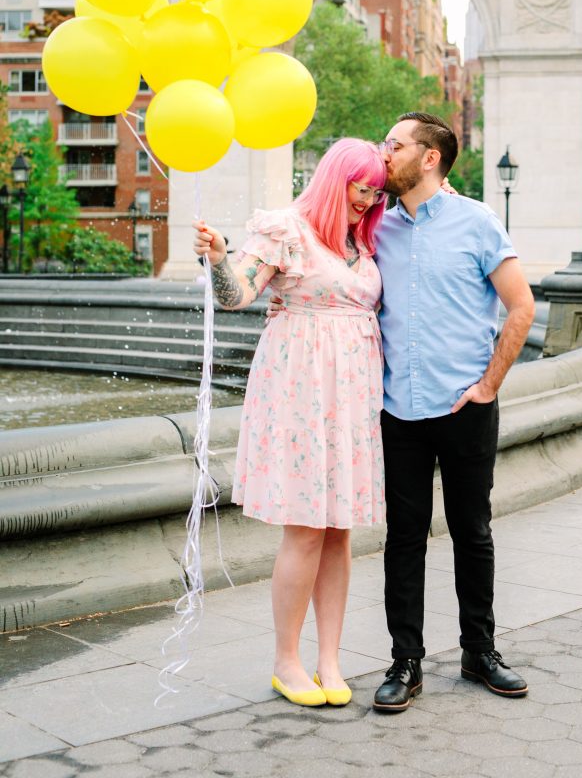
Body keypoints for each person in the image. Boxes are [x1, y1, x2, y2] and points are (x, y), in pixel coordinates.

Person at [192, 138, 388, 709]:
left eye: (376, 192)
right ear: (335, 180)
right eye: (361, 189)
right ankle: (287, 660)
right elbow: (237, 296)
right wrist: (220, 256)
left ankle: (330, 658)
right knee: (305, 526)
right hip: (302, 390)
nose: (369, 200)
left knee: (340, 529)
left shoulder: (363, 238)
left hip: (353, 395)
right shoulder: (287, 229)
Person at [371, 112, 536, 714]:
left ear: (431, 157)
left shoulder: (477, 222)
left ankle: (479, 652)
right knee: (403, 538)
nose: (383, 153)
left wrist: (488, 387)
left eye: (394, 144)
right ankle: (405, 662)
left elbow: (521, 307)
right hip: (399, 408)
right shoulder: (377, 230)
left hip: (465, 405)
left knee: (473, 532)